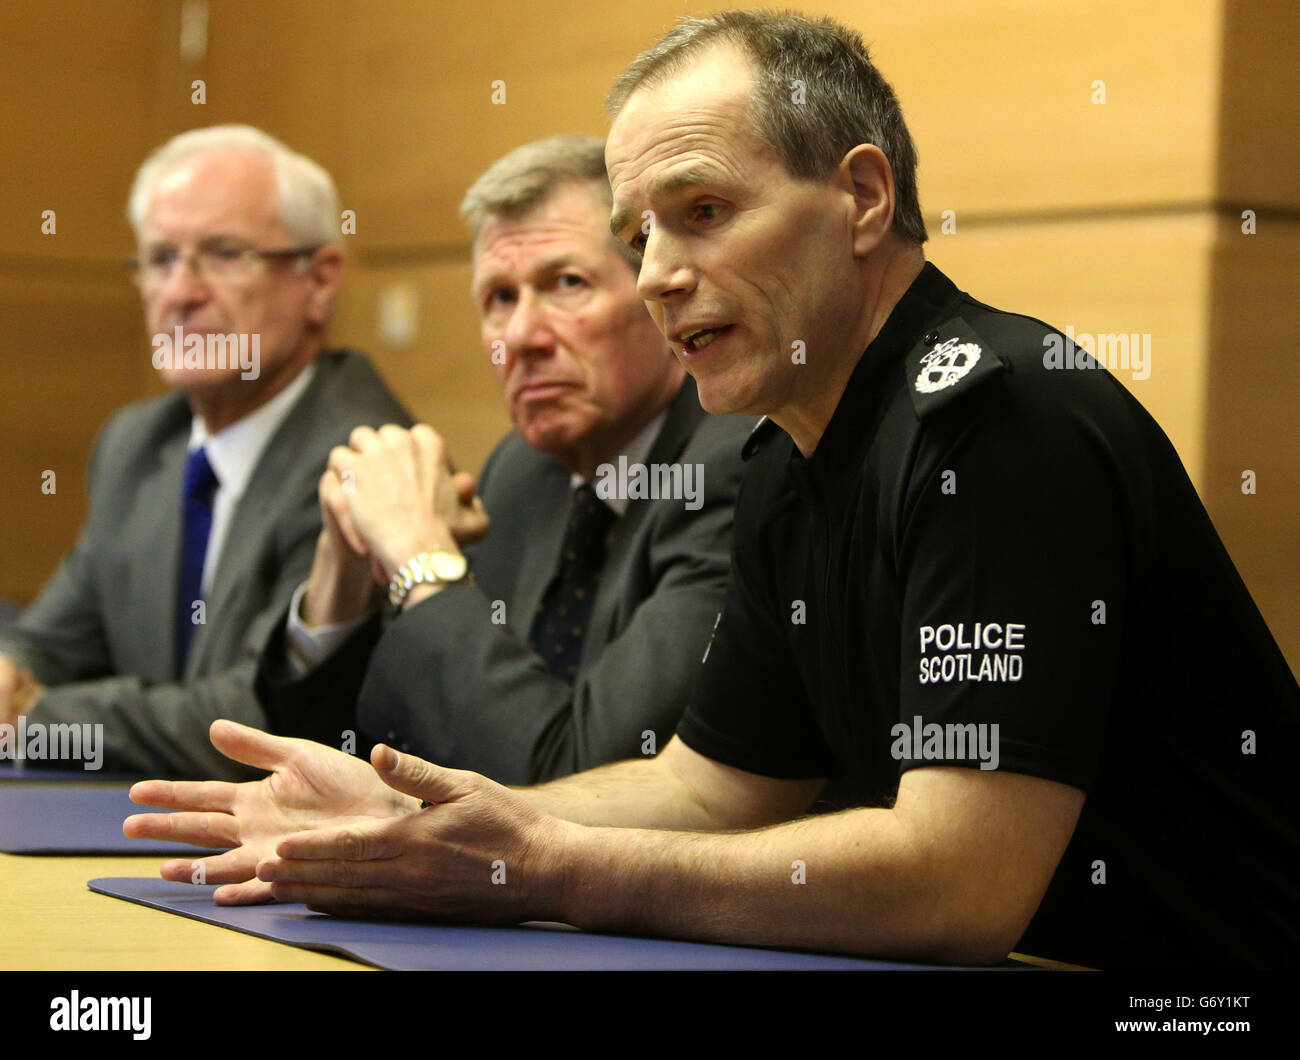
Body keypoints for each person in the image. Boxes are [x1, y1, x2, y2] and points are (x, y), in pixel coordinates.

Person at [127, 12, 1300, 968]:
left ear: (862, 199)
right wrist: (425, 822)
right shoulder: (786, 449)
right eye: (640, 233)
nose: (656, 276)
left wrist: (533, 865)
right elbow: (706, 791)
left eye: (703, 213)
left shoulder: (996, 419)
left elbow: (960, 882)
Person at [254, 136, 753, 784]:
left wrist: (421, 562)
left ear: (658, 291)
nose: (521, 337)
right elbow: (361, 750)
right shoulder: (522, 472)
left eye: (566, 283)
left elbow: (578, 782)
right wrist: (342, 570)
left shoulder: (732, 467)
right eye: (499, 298)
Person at [0, 125, 410, 779]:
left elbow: (257, 714)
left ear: (320, 280)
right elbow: (53, 637)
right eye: (160, 259)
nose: (181, 293)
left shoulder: (361, 457)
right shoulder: (139, 441)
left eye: (223, 254)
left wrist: (34, 719)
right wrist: (12, 672)